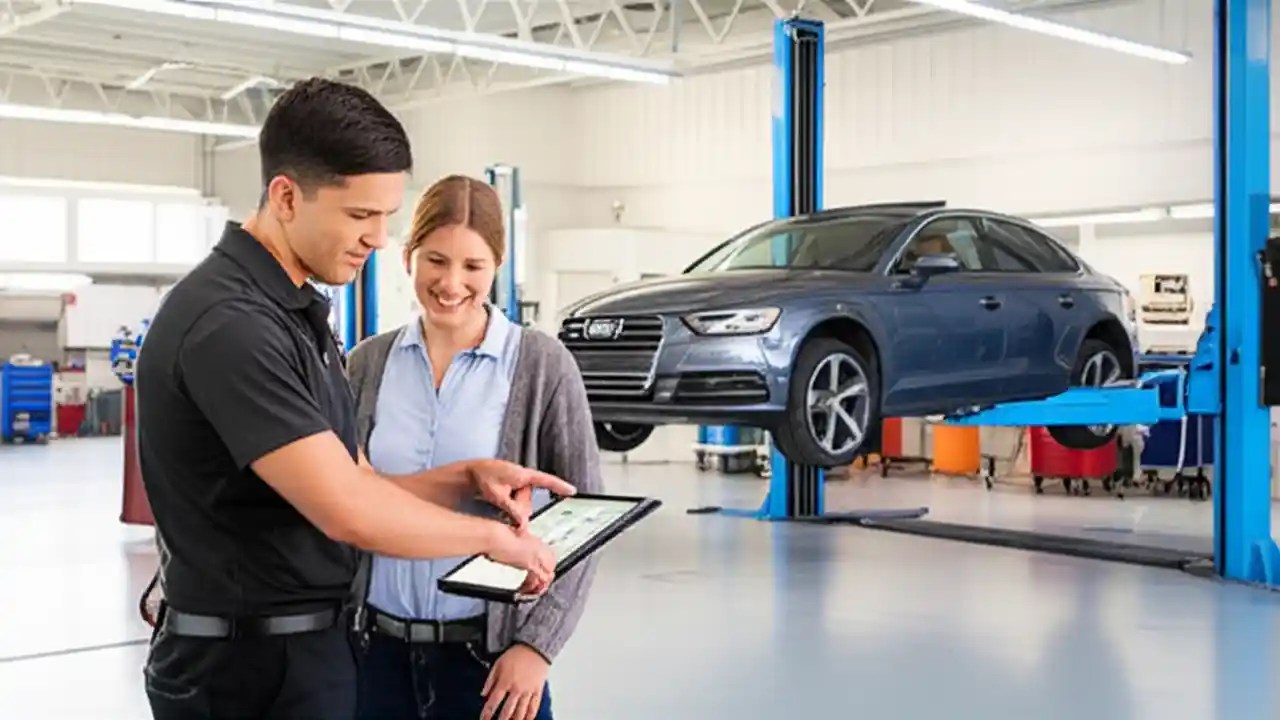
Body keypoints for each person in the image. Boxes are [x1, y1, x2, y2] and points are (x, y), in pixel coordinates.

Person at [135, 78, 570, 720]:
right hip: (246, 674)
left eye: (386, 217)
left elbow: (356, 478)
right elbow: (348, 511)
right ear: (286, 196)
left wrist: (463, 478)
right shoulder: (231, 325)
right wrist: (494, 539)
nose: (377, 238)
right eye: (360, 215)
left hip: (305, 653)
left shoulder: (294, 314)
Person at [345, 175, 603, 720]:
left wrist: (537, 647)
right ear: (407, 257)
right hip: (376, 659)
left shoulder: (541, 366)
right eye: (435, 260)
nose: (451, 283)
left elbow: (587, 517)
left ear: (497, 269)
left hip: (489, 665)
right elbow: (344, 495)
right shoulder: (367, 365)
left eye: (473, 267)